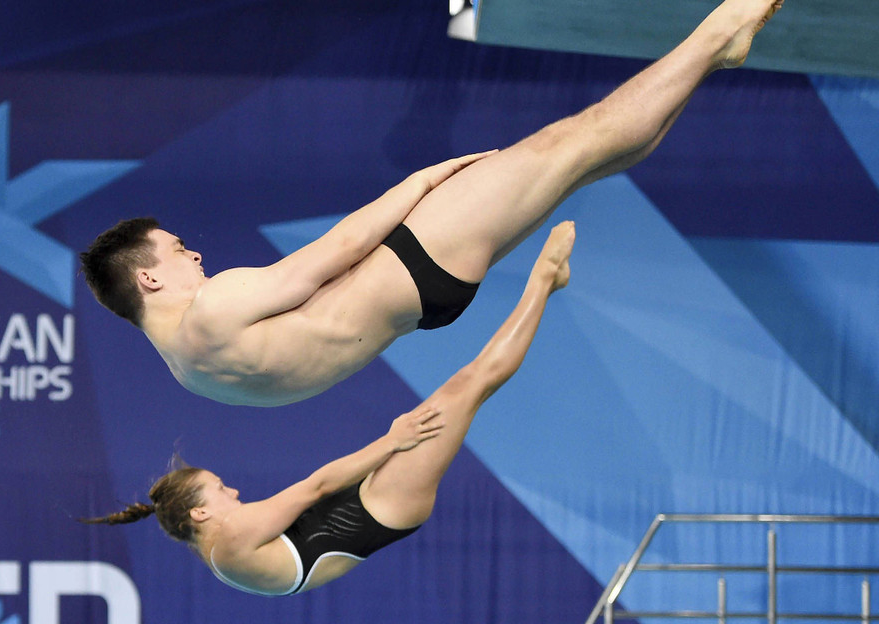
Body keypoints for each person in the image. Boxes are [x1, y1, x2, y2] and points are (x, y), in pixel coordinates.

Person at [79, 0, 782, 407]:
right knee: (578, 140)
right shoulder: (212, 308)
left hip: (423, 300)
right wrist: (418, 185)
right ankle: (723, 28)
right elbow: (332, 255)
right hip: (412, 257)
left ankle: (716, 54)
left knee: (583, 162)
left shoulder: (191, 375)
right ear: (148, 277)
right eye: (177, 250)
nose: (194, 252)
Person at [83, 222, 573, 595]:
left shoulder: (222, 550)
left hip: (362, 509)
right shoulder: (231, 541)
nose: (231, 488)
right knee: (472, 383)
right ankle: (544, 281)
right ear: (201, 512)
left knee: (468, 383)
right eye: (218, 488)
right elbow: (315, 487)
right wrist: (392, 442)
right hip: (380, 508)